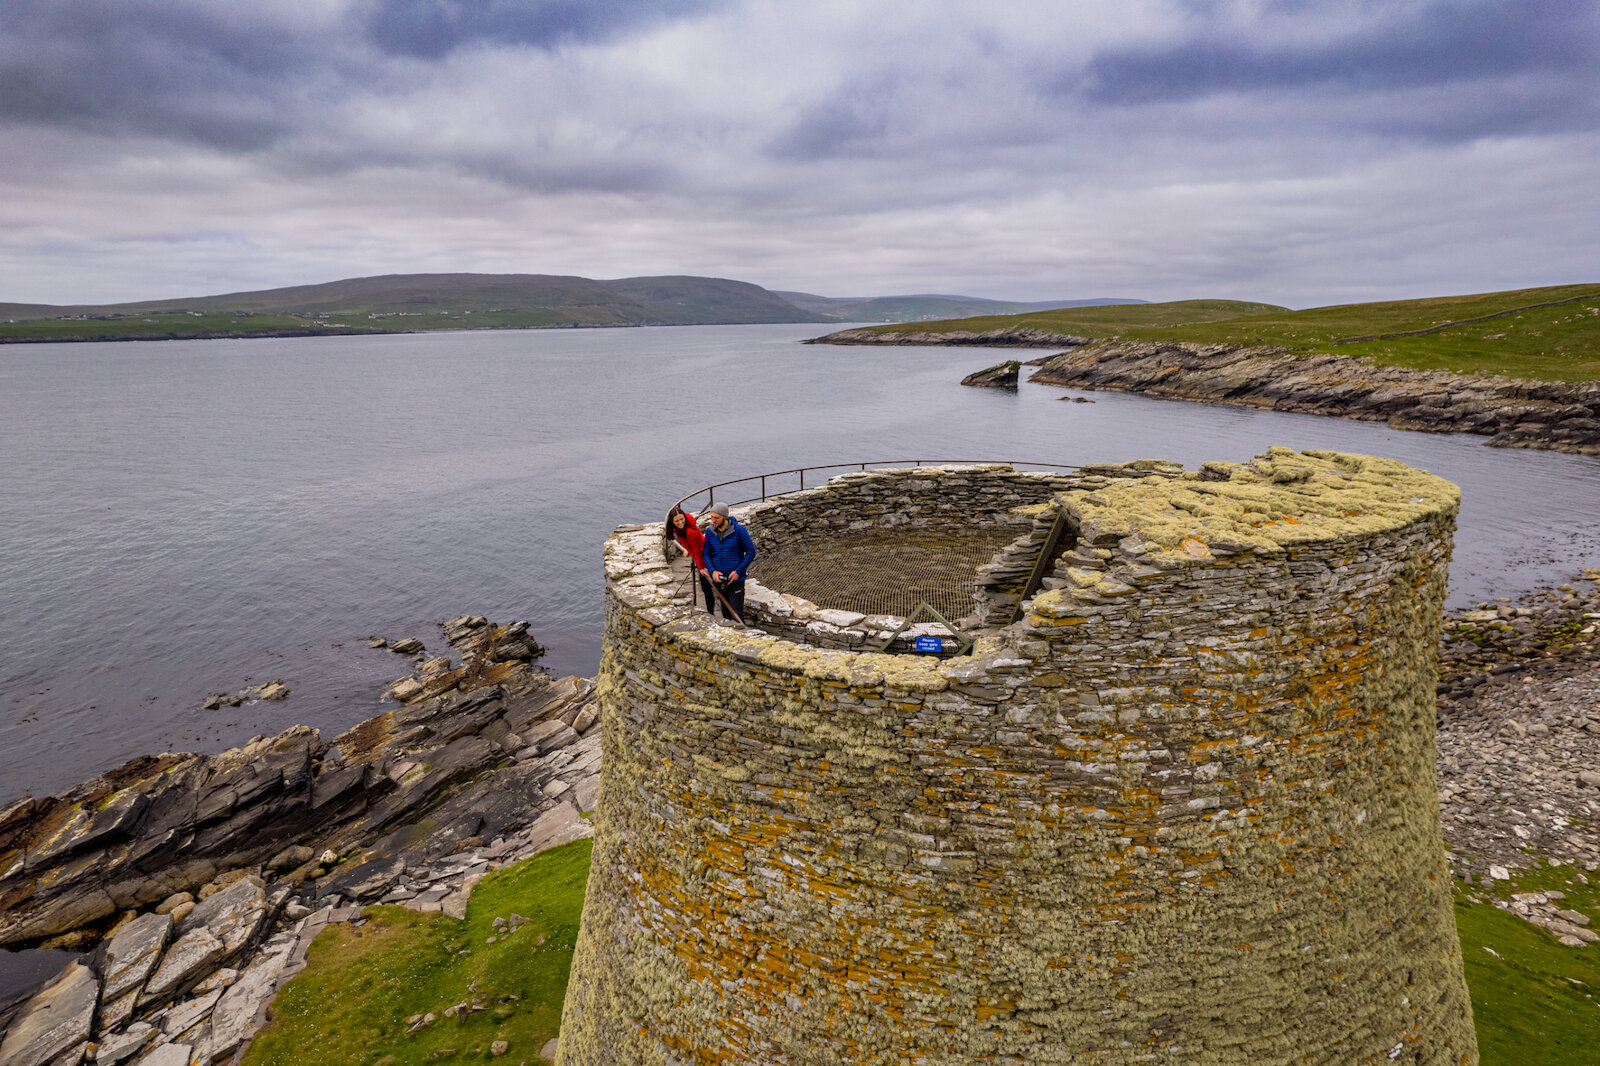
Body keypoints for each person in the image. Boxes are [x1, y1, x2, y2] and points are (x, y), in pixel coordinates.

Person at [699, 502, 756, 622]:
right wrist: (712, 571)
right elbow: (706, 553)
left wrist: (737, 572)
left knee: (737, 615)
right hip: (718, 579)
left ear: (725, 517)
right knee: (725, 613)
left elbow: (751, 552)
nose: (713, 520)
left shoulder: (739, 530)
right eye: (712, 517)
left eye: (717, 518)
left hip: (735, 579)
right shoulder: (710, 531)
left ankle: (742, 638)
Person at [665, 503, 714, 611]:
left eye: (681, 519)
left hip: (706, 556)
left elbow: (698, 550)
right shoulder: (679, 527)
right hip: (701, 552)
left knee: (707, 586)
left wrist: (701, 567)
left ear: (684, 517)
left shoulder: (690, 532)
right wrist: (688, 549)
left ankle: (711, 611)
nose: (680, 523)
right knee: (707, 585)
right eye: (676, 521)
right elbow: (692, 545)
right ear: (672, 522)